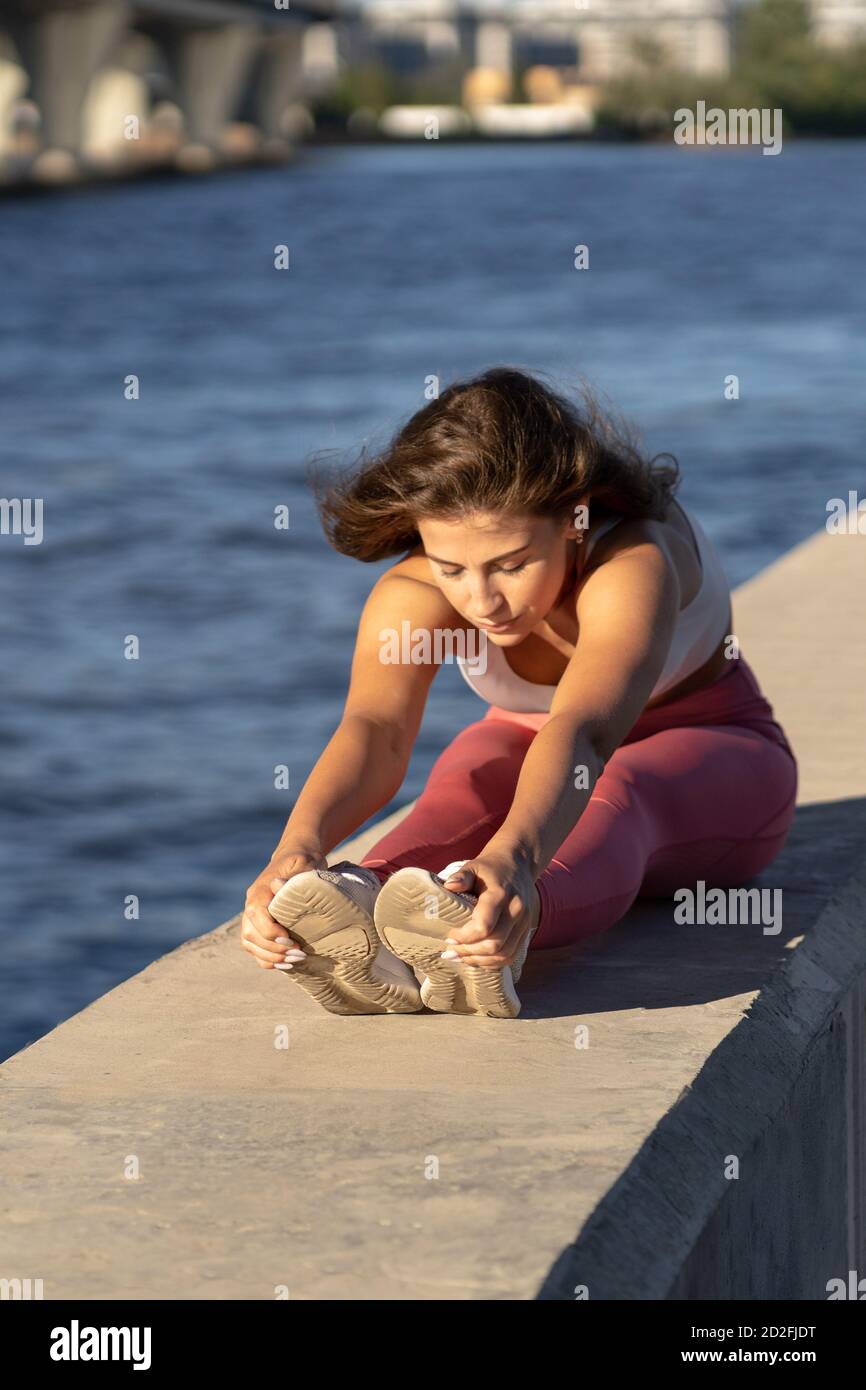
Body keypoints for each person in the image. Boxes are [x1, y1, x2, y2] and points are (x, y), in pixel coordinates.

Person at [240, 367, 798, 1019]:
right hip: (536, 745)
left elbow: (587, 732)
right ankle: (374, 905)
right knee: (465, 777)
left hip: (713, 759)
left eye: (511, 564)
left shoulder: (632, 563)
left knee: (621, 788)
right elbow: (376, 730)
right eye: (452, 567)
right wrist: (296, 851)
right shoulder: (415, 596)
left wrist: (515, 858)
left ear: (574, 517)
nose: (481, 600)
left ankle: (499, 920)